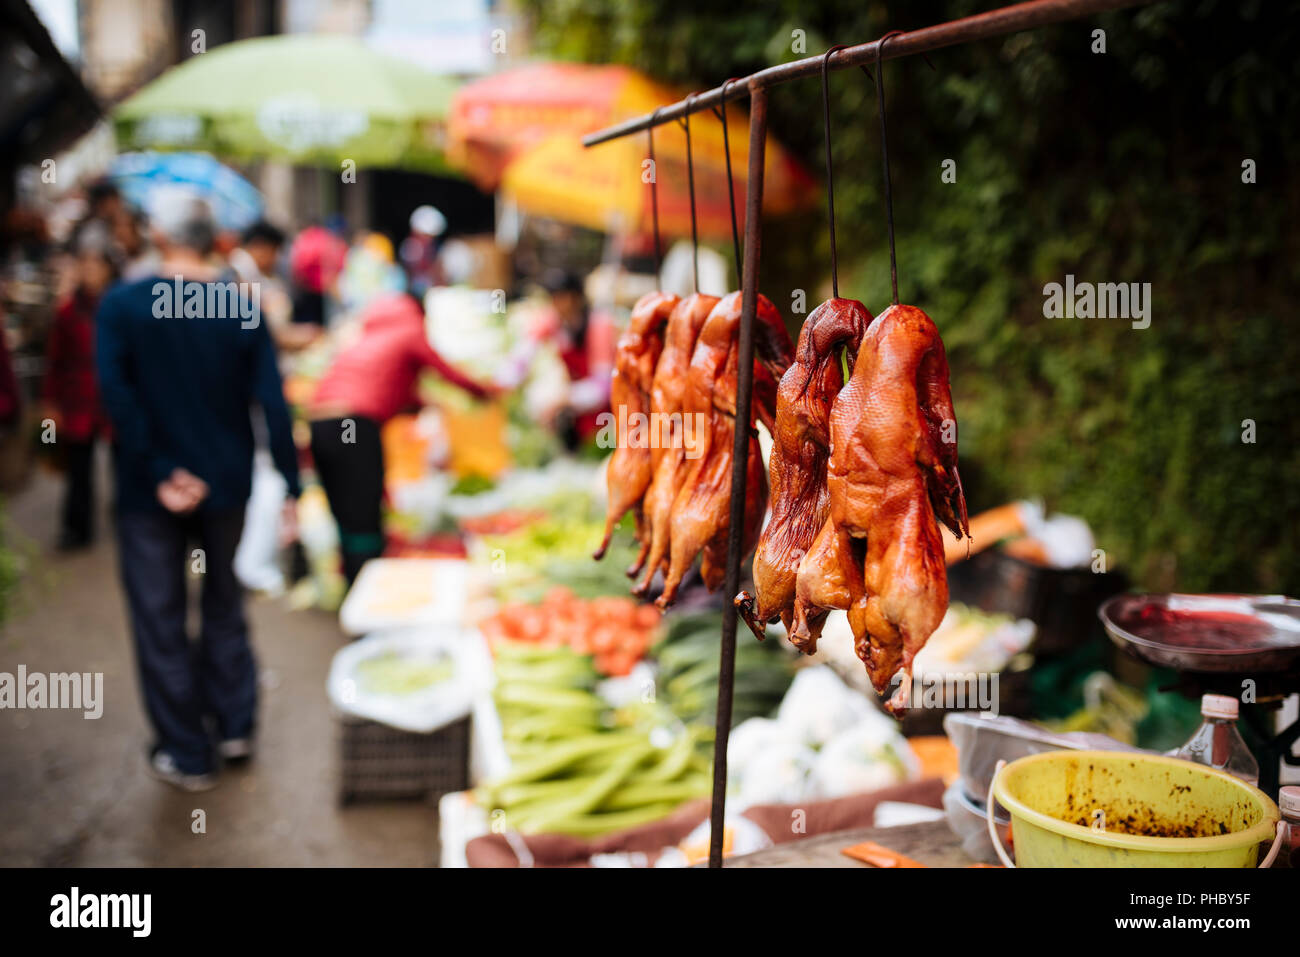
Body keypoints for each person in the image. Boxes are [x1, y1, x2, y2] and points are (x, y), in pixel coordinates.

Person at [95, 189, 301, 791]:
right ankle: (235, 725)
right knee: (222, 604)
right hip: (225, 484)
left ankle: (189, 752)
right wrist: (291, 482)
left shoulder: (124, 305)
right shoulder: (240, 308)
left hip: (148, 492)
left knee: (160, 617)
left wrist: (160, 469)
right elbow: (272, 401)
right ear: (216, 241)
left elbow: (118, 396)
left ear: (161, 237)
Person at [307, 292, 493, 585]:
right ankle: (365, 591)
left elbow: (392, 390)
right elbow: (443, 369)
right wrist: (484, 391)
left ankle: (354, 587)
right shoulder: (409, 330)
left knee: (345, 512)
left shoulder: (369, 336)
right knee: (365, 512)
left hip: (321, 424)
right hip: (353, 425)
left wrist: (424, 404)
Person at [43, 224, 116, 549]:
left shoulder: (117, 308)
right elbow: (55, 361)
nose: (89, 271)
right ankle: (77, 529)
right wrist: (51, 404)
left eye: (95, 263)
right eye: (83, 263)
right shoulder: (68, 312)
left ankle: (127, 521)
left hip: (112, 401)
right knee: (78, 471)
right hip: (79, 403)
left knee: (124, 466)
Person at [532, 269, 617, 448]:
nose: (555, 305)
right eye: (552, 298)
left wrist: (563, 399)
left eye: (560, 298)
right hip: (579, 418)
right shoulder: (556, 323)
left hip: (608, 418)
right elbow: (523, 354)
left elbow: (604, 387)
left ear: (576, 298)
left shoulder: (599, 325)